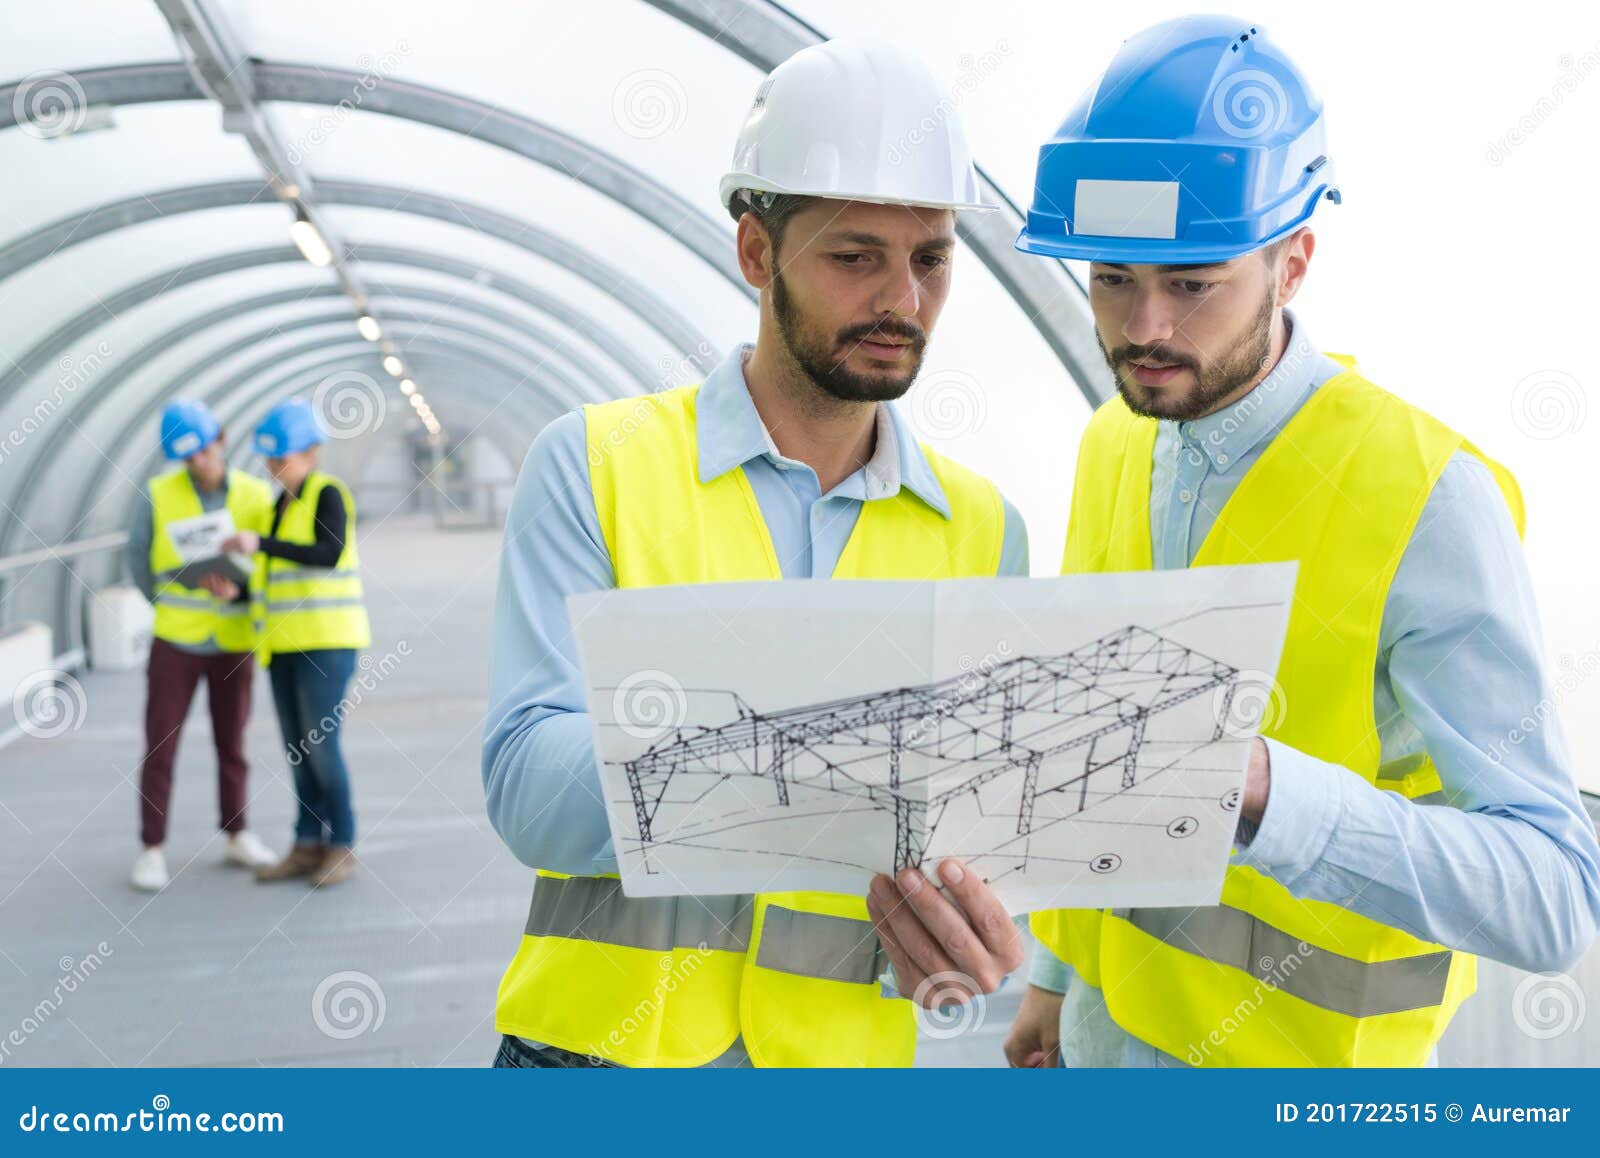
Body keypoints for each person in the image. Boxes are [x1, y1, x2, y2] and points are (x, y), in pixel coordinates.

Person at [988, 14, 1600, 1067]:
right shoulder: (1112, 444)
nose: (1143, 330)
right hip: (1098, 1048)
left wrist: (1269, 789)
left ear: (1295, 260)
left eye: (1190, 283)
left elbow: (1551, 896)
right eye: (1110, 279)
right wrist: (1055, 976)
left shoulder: (1426, 496)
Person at [482, 37, 1027, 1068]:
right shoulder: (596, 465)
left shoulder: (983, 529)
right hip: (596, 1064)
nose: (902, 303)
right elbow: (529, 791)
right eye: (854, 257)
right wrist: (810, 760)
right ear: (755, 252)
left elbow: (976, 830)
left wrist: (970, 927)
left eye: (930, 259)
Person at [127, 400, 276, 891]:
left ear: (221, 440)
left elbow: (271, 566)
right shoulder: (157, 493)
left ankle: (237, 834)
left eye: (205, 453)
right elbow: (140, 563)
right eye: (188, 459)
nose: (199, 465)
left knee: (232, 743)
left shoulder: (256, 495)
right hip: (176, 641)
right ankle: (151, 849)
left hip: (234, 640)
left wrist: (242, 590)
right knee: (161, 746)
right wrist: (177, 595)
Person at [223, 398, 371, 889]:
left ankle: (341, 843)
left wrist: (259, 544)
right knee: (298, 750)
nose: (271, 469)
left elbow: (326, 553)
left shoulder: (328, 494)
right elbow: (275, 575)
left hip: (326, 645)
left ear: (310, 452)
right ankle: (307, 843)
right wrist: (237, 589)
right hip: (282, 647)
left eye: (280, 459)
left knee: (322, 748)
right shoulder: (275, 505)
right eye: (268, 460)